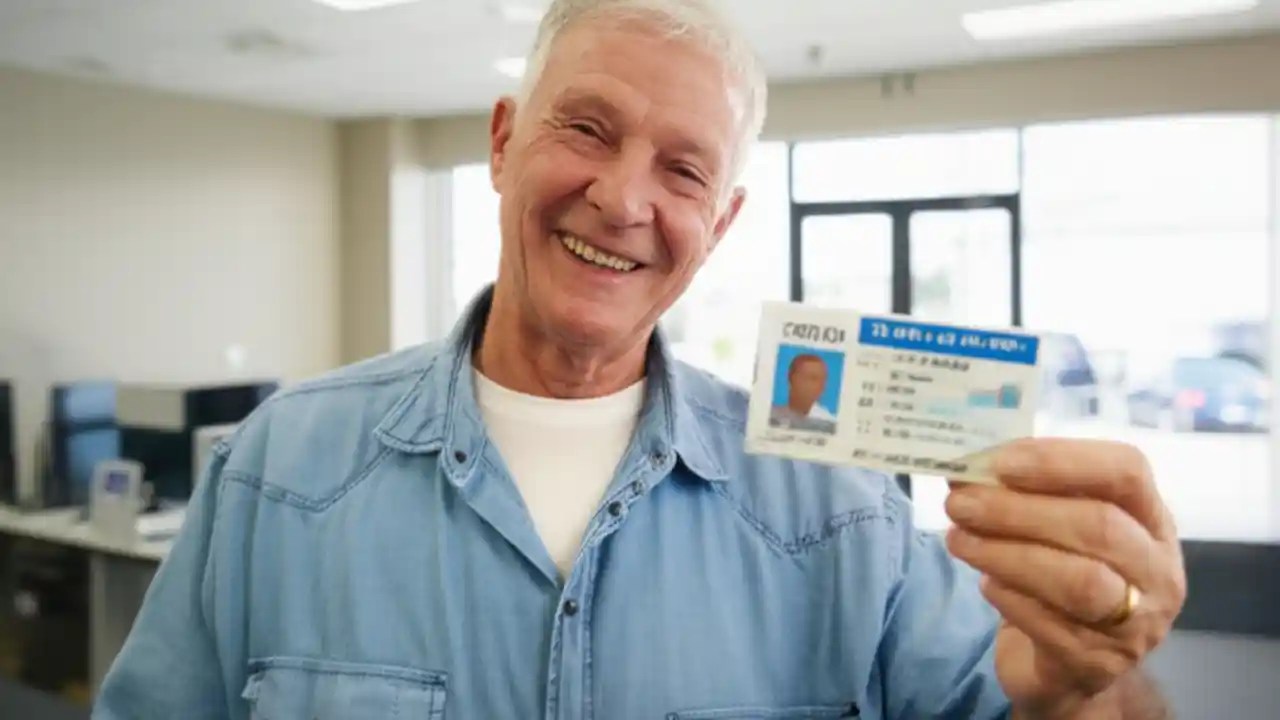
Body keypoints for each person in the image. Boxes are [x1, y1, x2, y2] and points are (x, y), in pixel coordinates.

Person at [94, 0, 1186, 717]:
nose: (621, 200)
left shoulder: (841, 509)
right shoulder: (281, 468)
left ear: (718, 222)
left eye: (681, 170)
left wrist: (1091, 679)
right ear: (500, 142)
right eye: (584, 129)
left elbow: (1046, 702)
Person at [770, 352, 838, 433]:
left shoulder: (830, 424)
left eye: (823, 380)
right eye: (813, 378)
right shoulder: (770, 415)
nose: (821, 386)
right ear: (792, 379)